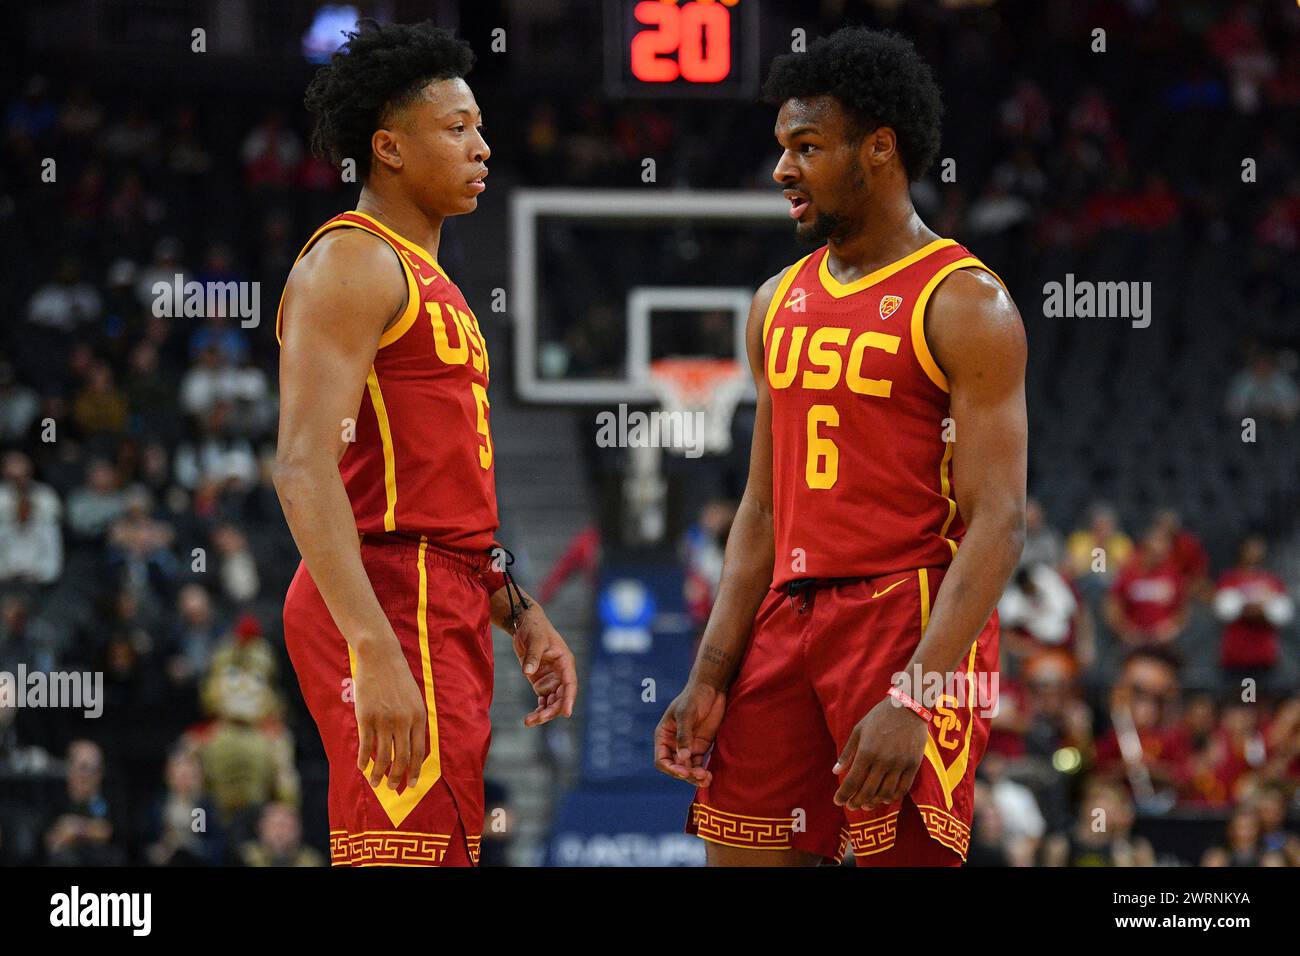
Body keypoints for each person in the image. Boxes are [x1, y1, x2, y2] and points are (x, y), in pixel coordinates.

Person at [655, 27, 1027, 867]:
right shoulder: (773, 301)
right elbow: (760, 506)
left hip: (906, 617)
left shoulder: (966, 302)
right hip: (786, 616)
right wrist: (711, 672)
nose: (783, 169)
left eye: (808, 147)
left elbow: (998, 522)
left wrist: (918, 693)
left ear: (880, 149)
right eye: (782, 147)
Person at [274, 20, 577, 867]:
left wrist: (516, 609)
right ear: (389, 149)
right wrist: (371, 646)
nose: (483, 145)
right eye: (457, 128)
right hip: (386, 592)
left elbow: (443, 494)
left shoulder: (430, 280)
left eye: (480, 125)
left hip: (442, 588)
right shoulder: (352, 260)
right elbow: (302, 466)